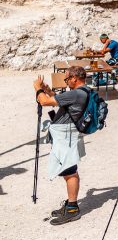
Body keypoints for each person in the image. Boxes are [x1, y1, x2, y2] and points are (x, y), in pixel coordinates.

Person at [33, 66, 89, 225]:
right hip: (68, 134)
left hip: (67, 136)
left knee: (69, 170)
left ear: (74, 78)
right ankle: (71, 203)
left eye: (66, 79)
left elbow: (43, 102)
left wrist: (37, 88)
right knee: (68, 169)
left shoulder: (76, 93)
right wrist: (49, 91)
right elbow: (62, 101)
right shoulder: (83, 91)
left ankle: (72, 208)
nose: (65, 82)